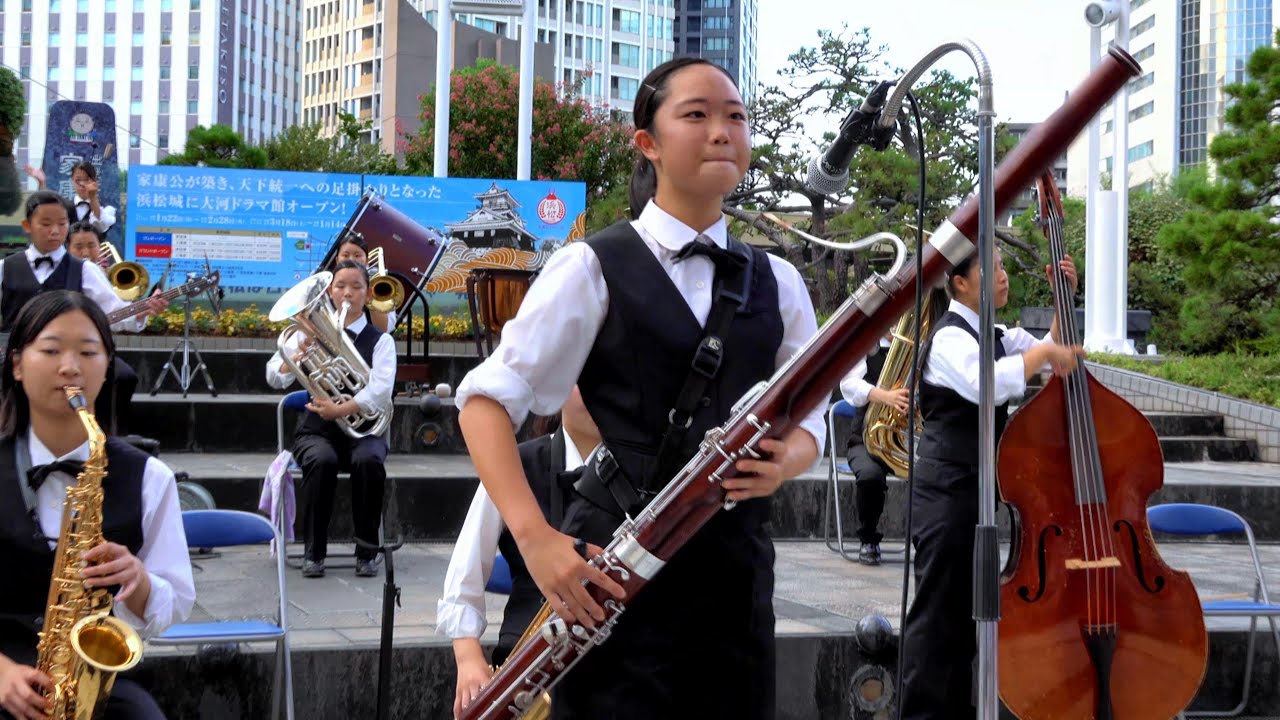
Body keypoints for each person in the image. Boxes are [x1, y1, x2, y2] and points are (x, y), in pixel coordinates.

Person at [456, 57, 826, 719]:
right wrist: (537, 539)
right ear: (647, 144)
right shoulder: (591, 266)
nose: (722, 131)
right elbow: (485, 402)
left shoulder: (779, 280)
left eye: (735, 117)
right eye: (697, 115)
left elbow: (812, 410)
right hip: (614, 565)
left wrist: (793, 458)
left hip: (736, 571)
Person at [898, 250, 1082, 720]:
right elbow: (990, 384)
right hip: (945, 492)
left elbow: (1046, 347)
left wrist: (1066, 300)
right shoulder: (949, 340)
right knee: (938, 618)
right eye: (992, 269)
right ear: (959, 284)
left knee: (964, 621)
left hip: (976, 491)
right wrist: (1042, 354)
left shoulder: (996, 335)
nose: (1003, 276)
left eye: (1002, 266)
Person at [0, 290, 195, 720]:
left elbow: (177, 598)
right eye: (50, 350)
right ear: (17, 364)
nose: (70, 367)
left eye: (89, 353)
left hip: (98, 682)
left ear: (108, 368)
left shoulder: (149, 476)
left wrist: (140, 582)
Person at [440, 387, 601, 718]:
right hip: (523, 663)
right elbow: (462, 582)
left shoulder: (646, 472)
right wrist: (469, 659)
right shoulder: (513, 465)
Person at [265, 260, 396, 578]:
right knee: (320, 461)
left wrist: (343, 409)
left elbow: (381, 390)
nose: (347, 293)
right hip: (317, 431)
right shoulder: (304, 335)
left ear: (367, 295)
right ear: (329, 292)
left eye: (356, 287)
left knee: (368, 463)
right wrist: (291, 360)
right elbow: (273, 378)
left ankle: (367, 552)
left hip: (363, 428)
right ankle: (314, 552)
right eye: (340, 286)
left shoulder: (381, 341)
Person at [3, 192, 164, 434]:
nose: (55, 231)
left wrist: (142, 311)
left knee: (120, 374)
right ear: (27, 225)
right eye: (46, 224)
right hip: (13, 354)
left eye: (62, 224)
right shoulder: (6, 267)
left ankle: (104, 438)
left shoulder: (85, 270)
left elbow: (114, 311)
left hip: (69, 355)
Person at [836, 334, 898, 566]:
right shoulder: (867, 345)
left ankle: (926, 541)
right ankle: (868, 540)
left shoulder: (920, 346)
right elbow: (848, 384)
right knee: (870, 476)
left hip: (907, 440)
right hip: (866, 439)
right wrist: (884, 396)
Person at [25, 162, 116, 234]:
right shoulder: (64, 206)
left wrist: (93, 198)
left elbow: (102, 225)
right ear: (72, 180)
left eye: (87, 179)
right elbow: (46, 206)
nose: (82, 184)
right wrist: (42, 183)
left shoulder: (107, 209)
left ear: (95, 181)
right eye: (78, 180)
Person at [331, 235, 396, 333]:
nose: (351, 259)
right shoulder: (327, 281)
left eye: (357, 255)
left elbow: (384, 329)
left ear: (367, 261)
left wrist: (372, 298)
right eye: (345, 255)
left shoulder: (380, 283)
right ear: (337, 260)